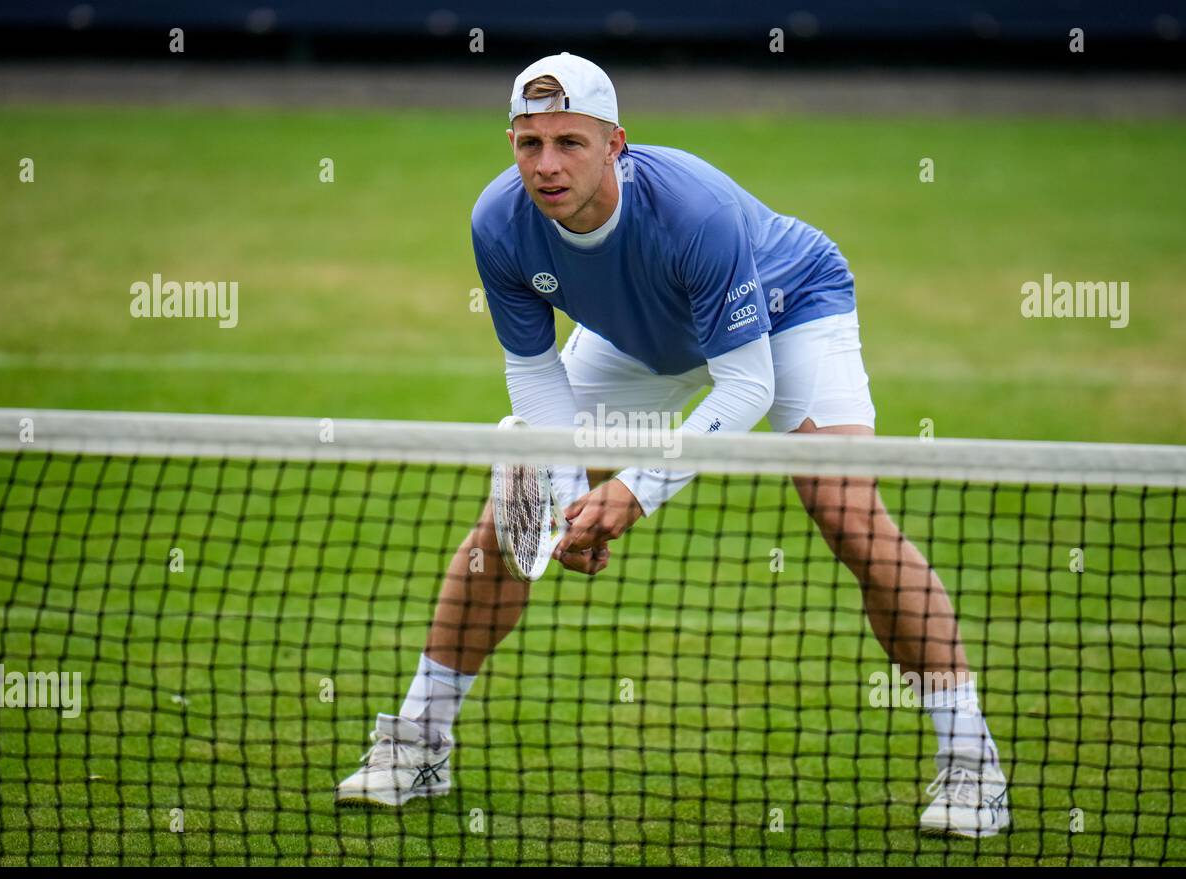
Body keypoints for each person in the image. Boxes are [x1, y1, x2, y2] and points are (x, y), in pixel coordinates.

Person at [335, 52, 1009, 837]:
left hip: (788, 310)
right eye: (529, 144)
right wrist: (563, 504)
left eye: (570, 143)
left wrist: (631, 493)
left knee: (844, 507)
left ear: (615, 143)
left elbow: (746, 389)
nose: (547, 166)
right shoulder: (499, 221)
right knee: (508, 520)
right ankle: (418, 743)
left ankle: (972, 767)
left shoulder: (692, 210)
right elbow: (535, 377)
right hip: (638, 338)